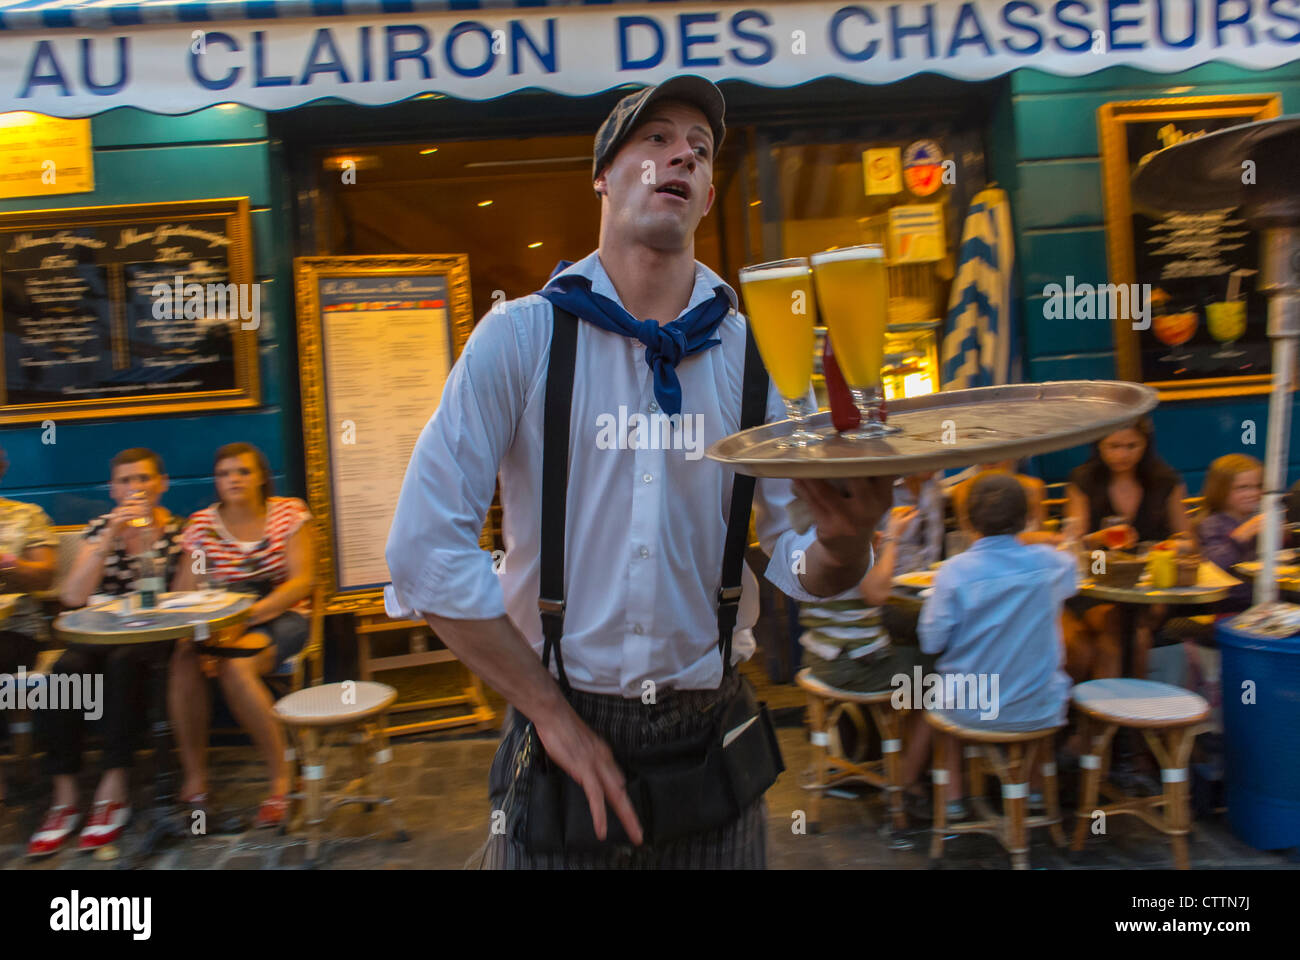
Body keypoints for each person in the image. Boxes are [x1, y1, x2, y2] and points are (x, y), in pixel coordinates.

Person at [385, 75, 891, 869]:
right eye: (654, 138)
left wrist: (849, 541)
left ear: (708, 192)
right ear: (603, 173)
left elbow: (805, 567)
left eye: (698, 148)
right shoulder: (519, 340)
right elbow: (422, 552)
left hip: (713, 749)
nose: (681, 154)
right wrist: (549, 715)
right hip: (558, 745)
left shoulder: (762, 356)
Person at [28, 449, 185, 857]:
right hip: (99, 635)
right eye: (127, 481)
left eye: (145, 479)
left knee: (124, 664)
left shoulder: (180, 531)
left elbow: (187, 600)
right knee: (65, 670)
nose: (136, 488)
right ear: (113, 489)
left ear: (162, 483)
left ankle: (112, 788)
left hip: (152, 639)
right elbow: (73, 596)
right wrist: (110, 536)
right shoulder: (100, 528)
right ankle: (63, 798)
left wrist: (149, 542)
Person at [168, 443, 315, 828]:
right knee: (183, 660)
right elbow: (184, 593)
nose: (233, 479)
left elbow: (302, 581)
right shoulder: (201, 525)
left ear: (261, 477)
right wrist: (201, 637)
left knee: (235, 668)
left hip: (280, 614)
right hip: (220, 620)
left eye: (243, 472)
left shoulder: (289, 513)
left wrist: (244, 620)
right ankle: (196, 779)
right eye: (225, 474)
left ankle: (282, 780)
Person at [917, 473, 1078, 812]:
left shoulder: (953, 572)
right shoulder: (1054, 563)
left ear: (966, 521)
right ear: (1027, 519)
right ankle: (1034, 792)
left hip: (971, 710)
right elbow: (1071, 582)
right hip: (1040, 710)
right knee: (1038, 686)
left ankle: (954, 800)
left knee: (940, 693)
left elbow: (931, 642)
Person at [1064, 418, 1192, 679]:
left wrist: (1163, 547)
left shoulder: (1165, 481)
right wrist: (1102, 536)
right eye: (1113, 446)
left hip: (1150, 583)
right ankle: (1124, 713)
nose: (1122, 454)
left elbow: (1188, 541)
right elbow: (1073, 542)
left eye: (1131, 446)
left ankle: (1110, 714)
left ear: (1146, 445)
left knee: (1133, 631)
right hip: (1098, 579)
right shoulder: (1083, 480)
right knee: (1117, 628)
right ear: (1099, 446)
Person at [0, 446, 58, 751]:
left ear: (2, 467)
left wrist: (9, 562)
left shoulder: (27, 515)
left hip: (17, 630)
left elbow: (45, 575)